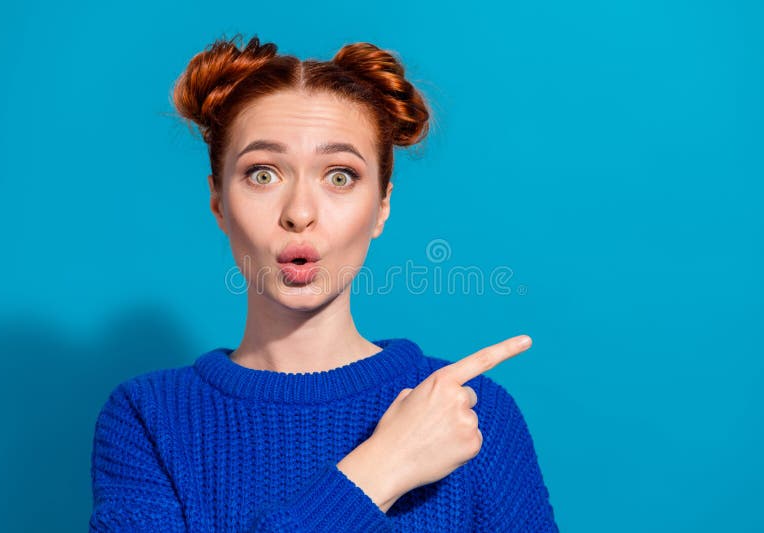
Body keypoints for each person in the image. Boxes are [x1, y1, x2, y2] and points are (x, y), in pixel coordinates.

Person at [89, 33, 559, 532]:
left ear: (382, 206)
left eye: (339, 176)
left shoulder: (469, 414)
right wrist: (379, 471)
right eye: (263, 174)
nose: (299, 213)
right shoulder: (148, 418)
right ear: (218, 202)